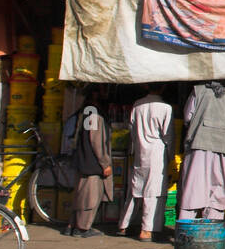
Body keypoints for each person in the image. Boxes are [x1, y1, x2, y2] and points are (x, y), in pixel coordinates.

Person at [178, 81, 225, 221]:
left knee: (193, 186)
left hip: (198, 143)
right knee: (217, 188)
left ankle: (186, 229)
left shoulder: (198, 91)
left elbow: (187, 117)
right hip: (222, 145)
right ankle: (211, 231)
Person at [118, 85, 173, 241]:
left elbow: (131, 127)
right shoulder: (165, 107)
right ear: (162, 89)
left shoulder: (138, 105)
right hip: (156, 151)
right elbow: (168, 135)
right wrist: (170, 155)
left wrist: (134, 147)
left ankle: (124, 224)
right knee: (152, 192)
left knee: (135, 189)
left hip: (140, 150)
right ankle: (146, 230)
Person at [67, 94, 112, 238]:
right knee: (90, 197)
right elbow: (96, 141)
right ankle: (82, 227)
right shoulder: (94, 115)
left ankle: (73, 225)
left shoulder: (85, 113)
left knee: (80, 195)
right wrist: (105, 162)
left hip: (83, 160)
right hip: (92, 163)